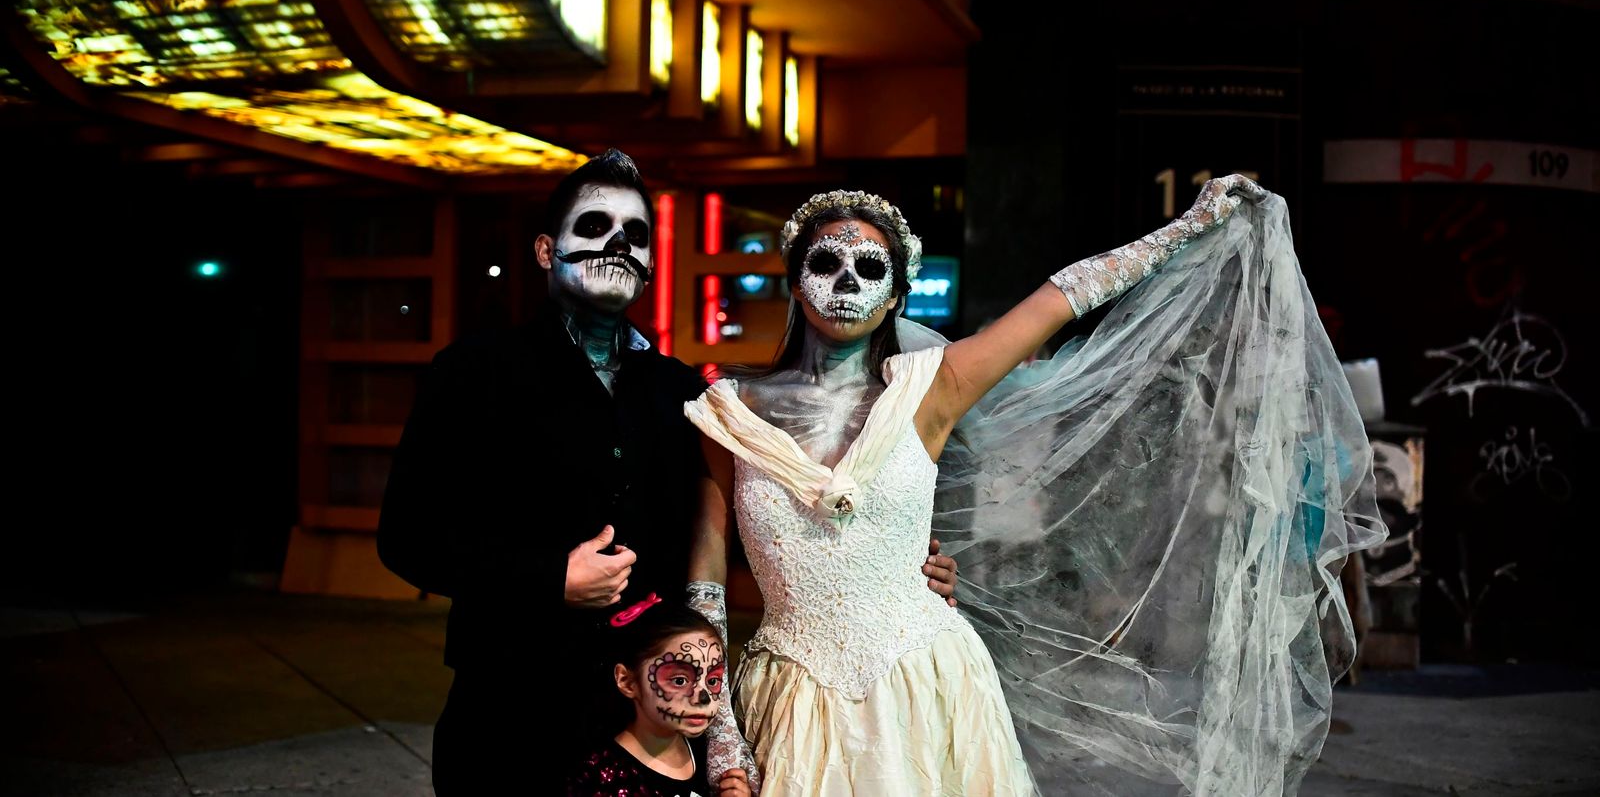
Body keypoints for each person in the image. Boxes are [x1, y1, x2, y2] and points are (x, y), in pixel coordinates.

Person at [682, 177, 1384, 794]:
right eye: (824, 262)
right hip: (793, 700)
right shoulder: (730, 413)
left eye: (869, 267)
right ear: (792, 278)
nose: (845, 281)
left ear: (898, 293)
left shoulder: (934, 389)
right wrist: (721, 743)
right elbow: (706, 579)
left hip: (929, 689)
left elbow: (1061, 299)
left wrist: (1190, 223)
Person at [377, 148, 960, 793]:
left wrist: (894, 559)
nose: (618, 244)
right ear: (547, 251)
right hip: (513, 708)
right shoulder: (474, 372)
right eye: (594, 227)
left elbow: (745, 521)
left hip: (648, 723)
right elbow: (407, 538)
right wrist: (548, 577)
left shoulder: (681, 392)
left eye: (637, 234)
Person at [566, 594, 752, 797]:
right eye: (680, 680)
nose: (703, 697)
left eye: (712, 680)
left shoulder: (708, 751)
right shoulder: (601, 780)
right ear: (627, 681)